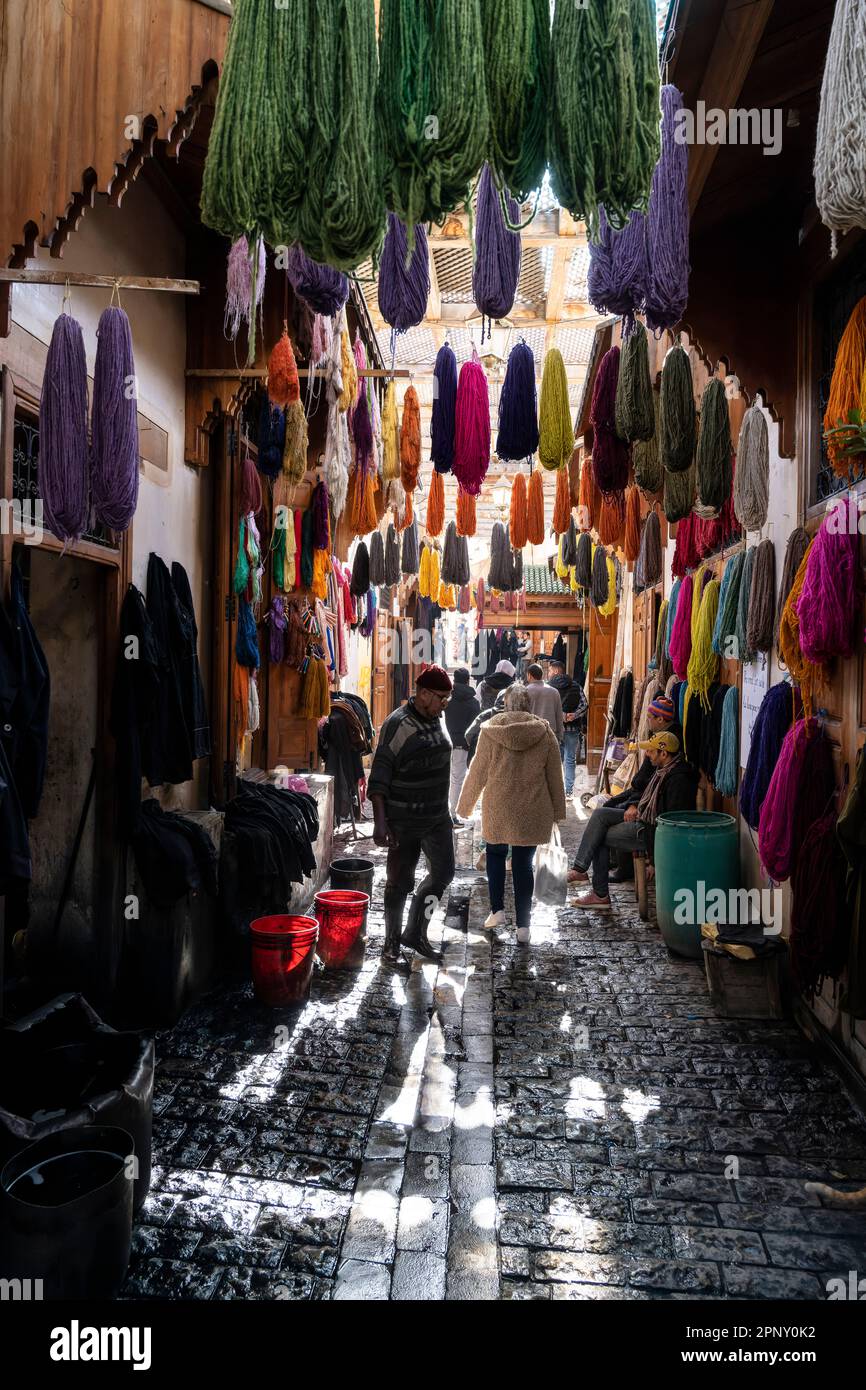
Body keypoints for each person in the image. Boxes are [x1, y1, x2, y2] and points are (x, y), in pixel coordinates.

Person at [457, 684, 566, 945]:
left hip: (498, 805)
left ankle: (497, 911)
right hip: (532, 807)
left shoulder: (492, 730)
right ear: (529, 705)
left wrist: (465, 806)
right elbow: (554, 775)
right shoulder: (544, 731)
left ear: (506, 704)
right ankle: (524, 927)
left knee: (495, 854)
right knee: (523, 864)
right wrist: (558, 811)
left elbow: (477, 771)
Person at [368, 665, 455, 967]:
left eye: (448, 698)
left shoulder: (437, 716)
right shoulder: (398, 723)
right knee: (399, 882)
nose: (445, 704)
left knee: (443, 873)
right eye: (442, 698)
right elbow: (379, 775)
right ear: (424, 693)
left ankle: (416, 931)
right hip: (403, 819)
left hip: (436, 817)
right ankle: (391, 944)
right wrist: (380, 822)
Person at [574, 731, 698, 912]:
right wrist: (631, 805)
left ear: (664, 754)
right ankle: (580, 869)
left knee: (598, 837)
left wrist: (653, 860)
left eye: (651, 751)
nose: (647, 755)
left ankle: (600, 894)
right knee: (600, 814)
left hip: (649, 831)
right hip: (644, 816)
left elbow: (670, 823)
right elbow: (641, 791)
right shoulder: (663, 769)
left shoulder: (678, 779)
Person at [567, 692, 680, 885]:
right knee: (604, 809)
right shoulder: (662, 752)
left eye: (650, 717)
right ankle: (587, 869)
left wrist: (634, 804)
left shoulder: (671, 763)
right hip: (642, 804)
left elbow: (663, 813)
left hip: (646, 819)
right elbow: (644, 781)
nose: (647, 720)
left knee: (600, 828)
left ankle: (596, 881)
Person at [444, 667, 480, 823]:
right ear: (468, 680)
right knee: (457, 779)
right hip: (462, 745)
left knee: (444, 777)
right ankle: (452, 813)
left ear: (454, 681)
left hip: (445, 742)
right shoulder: (473, 702)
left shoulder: (446, 700)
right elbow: (475, 728)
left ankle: (444, 811)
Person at [548, 658, 587, 795]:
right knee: (570, 759)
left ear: (556, 671)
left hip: (555, 729)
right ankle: (568, 790)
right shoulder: (576, 686)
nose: (549, 673)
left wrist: (560, 716)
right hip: (572, 728)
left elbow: (548, 708)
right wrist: (574, 715)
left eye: (550, 670)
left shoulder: (549, 687)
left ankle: (556, 790)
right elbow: (584, 705)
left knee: (556, 760)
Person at [524, 663, 564, 742]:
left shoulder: (525, 691)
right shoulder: (554, 692)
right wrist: (560, 736)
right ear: (542, 675)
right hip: (550, 734)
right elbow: (559, 716)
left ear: (529, 675)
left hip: (531, 733)